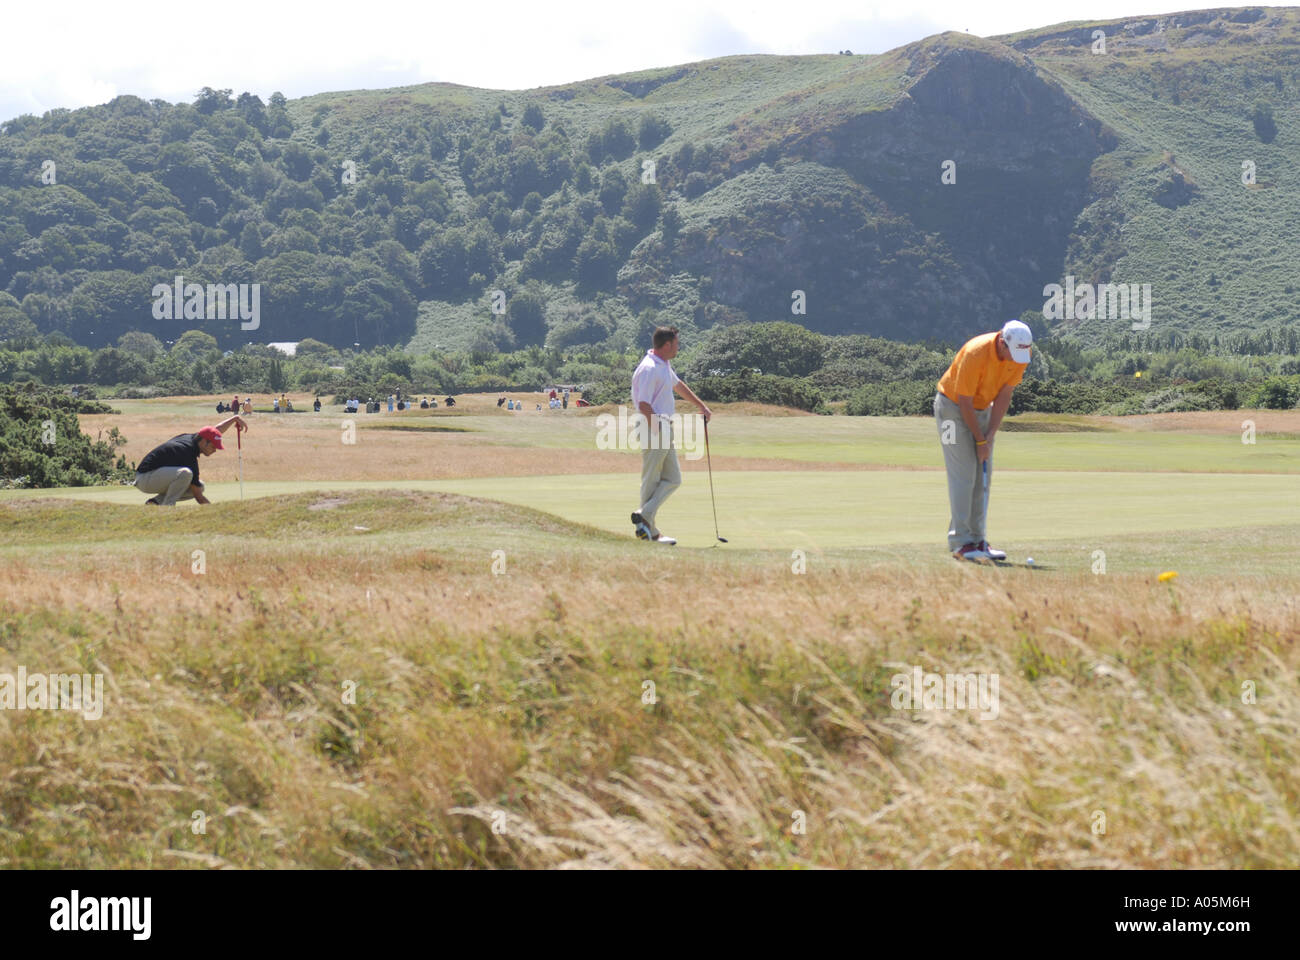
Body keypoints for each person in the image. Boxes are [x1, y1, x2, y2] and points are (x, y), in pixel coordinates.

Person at [934, 319, 1033, 562]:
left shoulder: (1021, 354)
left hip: (982, 410)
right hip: (950, 410)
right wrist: (979, 441)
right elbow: (964, 401)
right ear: (1002, 341)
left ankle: (978, 540)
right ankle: (960, 543)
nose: (1015, 359)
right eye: (1012, 353)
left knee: (983, 476)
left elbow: (1004, 396)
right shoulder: (975, 352)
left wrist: (989, 437)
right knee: (964, 474)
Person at [630, 325, 711, 546]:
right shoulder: (648, 368)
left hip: (663, 425)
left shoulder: (664, 364)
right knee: (651, 478)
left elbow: (679, 386)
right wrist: (656, 427)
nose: (678, 347)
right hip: (652, 424)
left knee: (673, 478)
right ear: (667, 345)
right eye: (676, 343)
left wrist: (701, 406)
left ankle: (644, 515)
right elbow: (643, 403)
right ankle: (651, 532)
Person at [134, 415, 247, 506]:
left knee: (200, 486)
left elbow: (213, 431)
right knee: (185, 474)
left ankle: (155, 503)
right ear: (204, 442)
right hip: (145, 478)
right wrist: (215, 513)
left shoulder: (194, 439)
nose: (215, 450)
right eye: (213, 446)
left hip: (153, 477)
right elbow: (199, 497)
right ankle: (167, 509)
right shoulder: (187, 453)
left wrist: (234, 418)